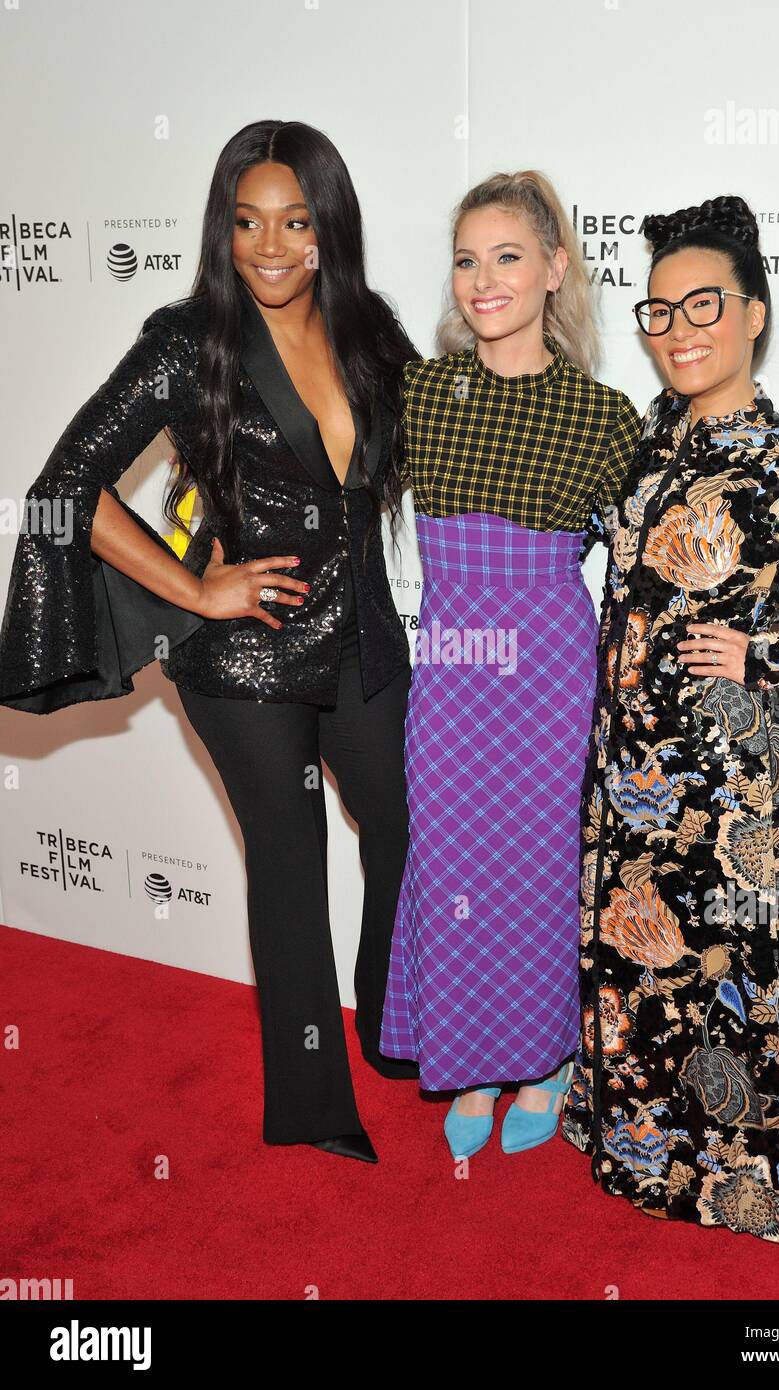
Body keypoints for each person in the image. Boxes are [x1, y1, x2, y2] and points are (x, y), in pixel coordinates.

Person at [0, 120, 421, 1163]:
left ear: (329, 231)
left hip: (362, 633)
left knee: (413, 831)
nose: (269, 246)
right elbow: (63, 490)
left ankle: (389, 1014)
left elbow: (438, 453)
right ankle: (316, 1108)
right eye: (246, 222)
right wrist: (195, 585)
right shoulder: (188, 341)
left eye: (294, 222)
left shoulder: (371, 332)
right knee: (291, 861)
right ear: (221, 229)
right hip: (247, 657)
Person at [559, 194, 779, 1240]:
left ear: (753, 312)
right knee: (636, 973)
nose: (677, 331)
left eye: (702, 306)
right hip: (626, 762)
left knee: (722, 981)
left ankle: (734, 1184)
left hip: (720, 780)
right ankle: (639, 1161)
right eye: (657, 313)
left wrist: (768, 656)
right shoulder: (652, 438)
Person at [378, 171, 642, 1159]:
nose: (481, 280)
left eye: (506, 256)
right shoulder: (419, 392)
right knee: (450, 858)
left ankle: (541, 1057)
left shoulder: (605, 416)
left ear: (553, 271)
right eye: (464, 258)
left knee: (534, 868)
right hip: (447, 663)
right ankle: (470, 1054)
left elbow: (645, 562)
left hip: (546, 672)